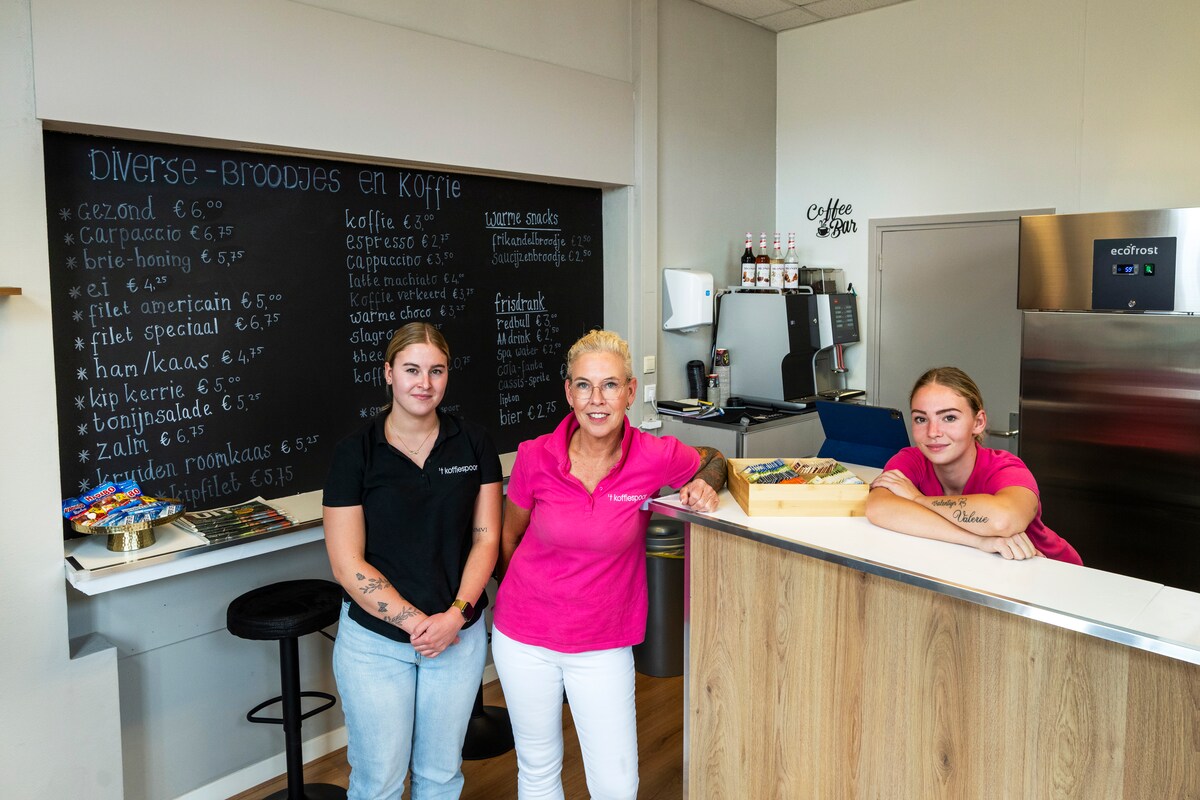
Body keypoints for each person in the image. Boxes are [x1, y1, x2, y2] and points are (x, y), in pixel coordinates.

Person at [491, 329, 726, 800]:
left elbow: (714, 458)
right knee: (537, 771)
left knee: (616, 784)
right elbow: (508, 537)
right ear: (568, 392)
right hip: (523, 639)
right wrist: (540, 598)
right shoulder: (535, 456)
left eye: (610, 385)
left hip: (603, 642)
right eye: (584, 385)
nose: (596, 400)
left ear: (631, 391)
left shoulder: (653, 457)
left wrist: (708, 484)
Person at [322, 322, 503, 800]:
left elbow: (486, 540)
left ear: (447, 376)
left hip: (456, 639)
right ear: (388, 373)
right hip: (374, 645)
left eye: (436, 370)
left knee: (440, 776)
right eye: (411, 369)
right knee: (377, 781)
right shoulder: (353, 454)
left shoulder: (475, 444)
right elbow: (347, 563)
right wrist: (418, 623)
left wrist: (455, 617)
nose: (424, 383)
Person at [866, 366, 1081, 564]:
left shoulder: (1005, 468)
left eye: (949, 418)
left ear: (978, 423)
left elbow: (1003, 520)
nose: (933, 432)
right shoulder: (910, 460)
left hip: (1056, 576)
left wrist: (916, 499)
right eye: (921, 419)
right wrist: (980, 541)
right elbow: (878, 508)